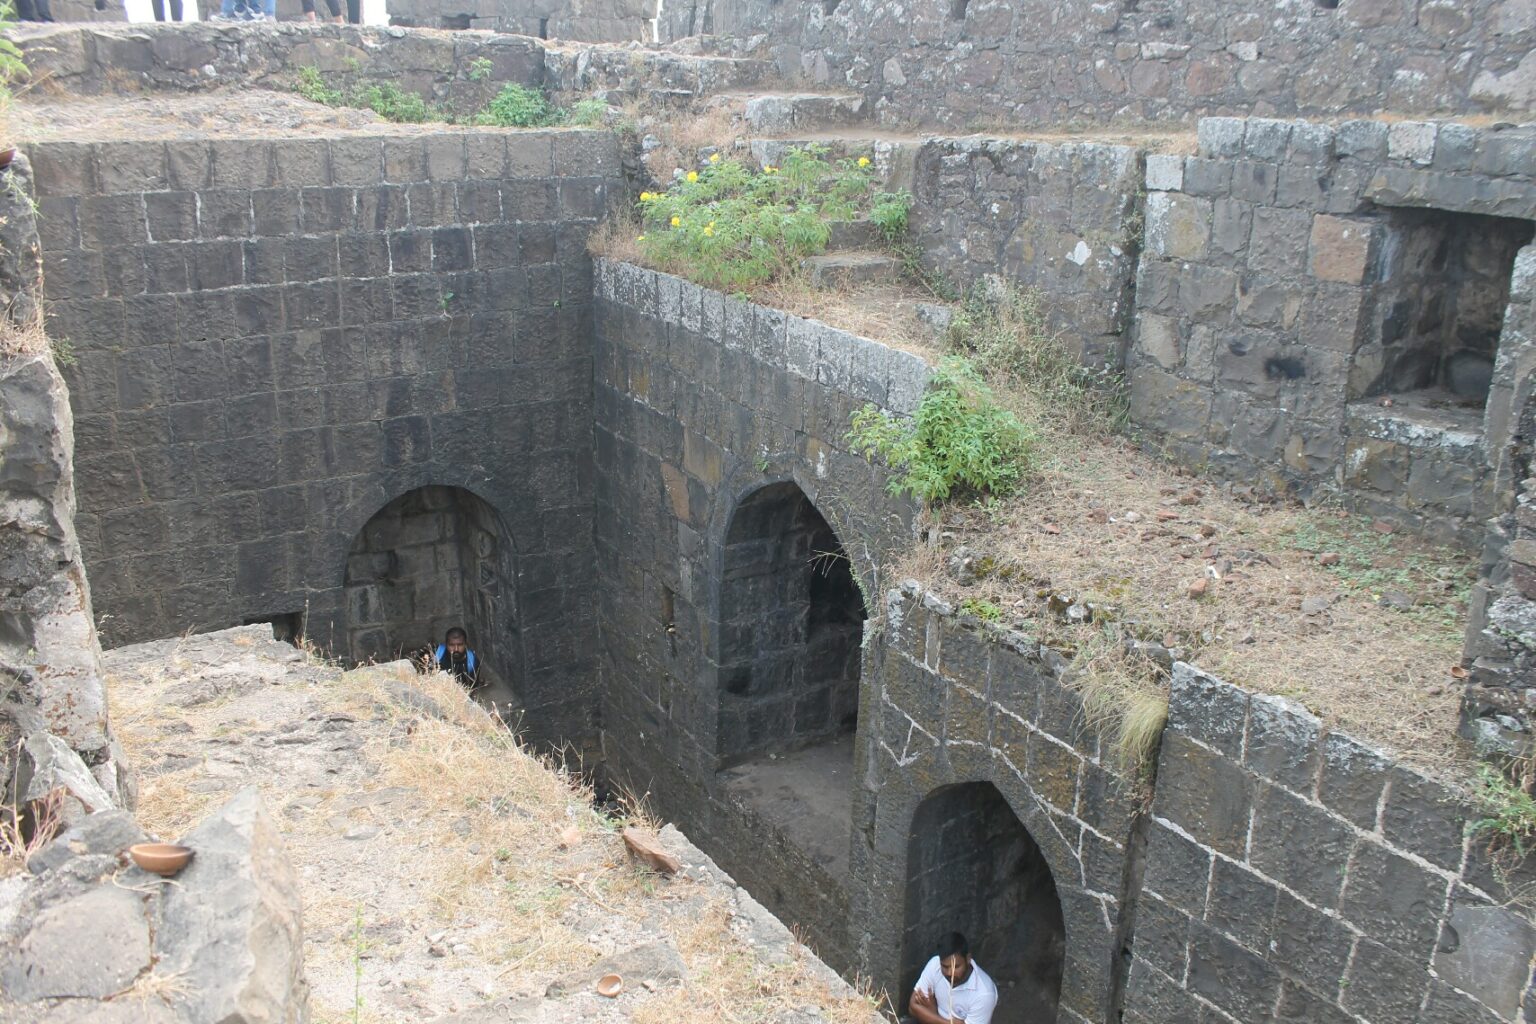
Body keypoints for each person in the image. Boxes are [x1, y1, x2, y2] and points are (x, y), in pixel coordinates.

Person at [908, 933, 998, 1024]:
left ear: (968, 959)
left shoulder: (985, 993)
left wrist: (930, 1014)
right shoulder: (935, 965)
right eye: (945, 966)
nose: (950, 973)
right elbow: (912, 1008)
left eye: (956, 967)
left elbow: (918, 1011)